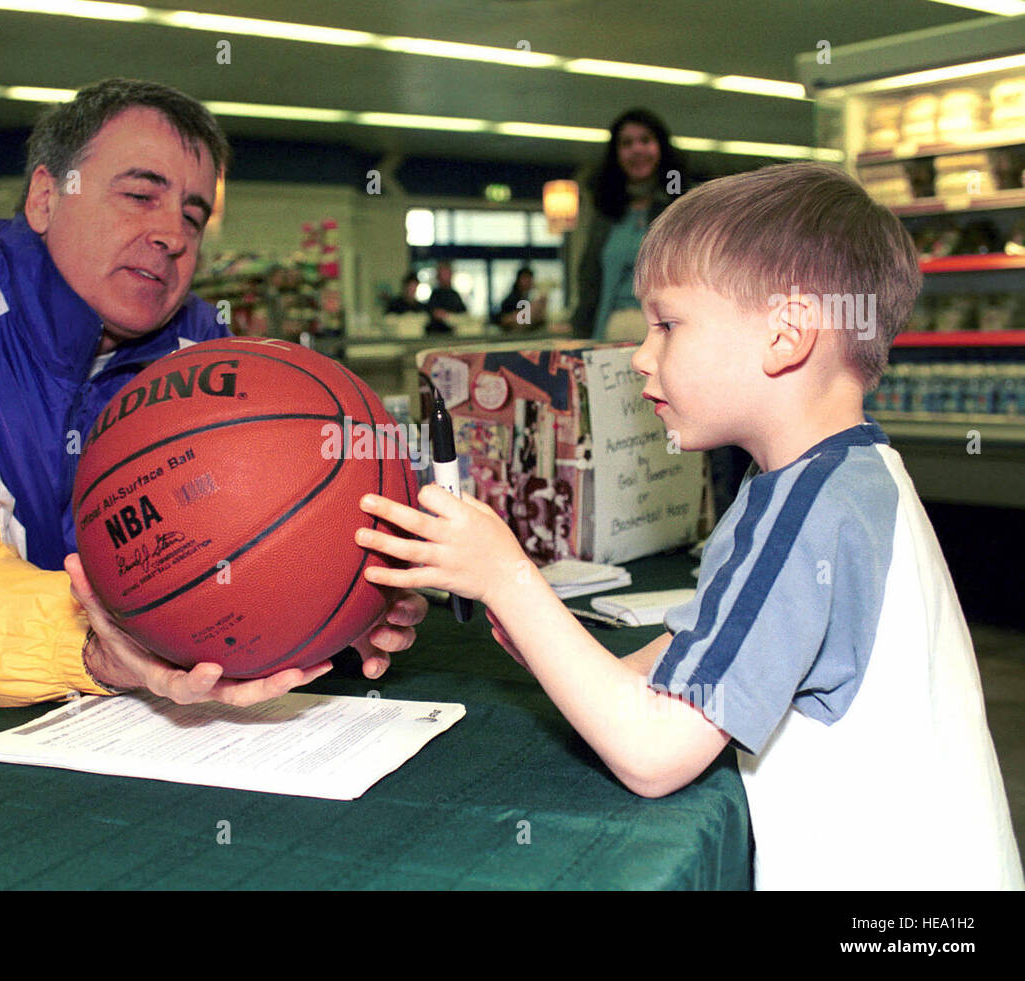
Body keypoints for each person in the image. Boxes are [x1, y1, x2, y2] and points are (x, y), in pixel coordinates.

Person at [354, 162, 1023, 890]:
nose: (641, 355)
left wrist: (507, 577)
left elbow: (652, 751)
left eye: (668, 323)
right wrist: (544, 632)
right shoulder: (841, 477)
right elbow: (688, 652)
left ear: (786, 337)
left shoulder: (805, 512)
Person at [0, 78, 425, 708]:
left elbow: (221, 548)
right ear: (46, 197)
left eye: (193, 216)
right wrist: (103, 648)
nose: (173, 234)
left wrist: (329, 593)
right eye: (141, 196)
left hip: (118, 709)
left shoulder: (198, 344)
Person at [569, 108, 687, 342]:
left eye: (645, 140)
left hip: (669, 338)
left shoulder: (681, 206)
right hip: (609, 334)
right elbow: (589, 283)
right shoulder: (604, 213)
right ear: (616, 154)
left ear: (661, 147)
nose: (637, 150)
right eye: (626, 143)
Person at [492, 267, 545, 331]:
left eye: (530, 280)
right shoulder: (512, 298)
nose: (529, 282)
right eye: (526, 279)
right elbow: (504, 320)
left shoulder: (525, 297)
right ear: (519, 280)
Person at [424, 260, 465, 334]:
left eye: (447, 274)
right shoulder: (435, 294)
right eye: (443, 274)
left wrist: (450, 317)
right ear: (438, 276)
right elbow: (434, 313)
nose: (445, 277)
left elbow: (463, 314)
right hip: (437, 334)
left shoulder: (455, 295)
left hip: (453, 334)